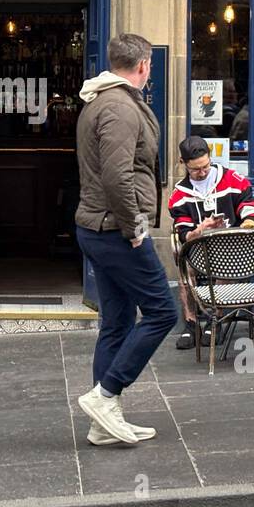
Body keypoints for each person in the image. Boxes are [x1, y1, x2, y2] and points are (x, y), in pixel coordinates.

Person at [74, 33, 179, 447]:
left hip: (99, 228)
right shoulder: (119, 108)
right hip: (114, 230)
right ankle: (105, 395)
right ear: (143, 66)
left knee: (116, 323)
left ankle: (104, 423)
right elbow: (117, 177)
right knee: (161, 312)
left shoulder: (102, 101)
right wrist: (134, 226)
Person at [166, 136, 254, 350]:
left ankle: (214, 320)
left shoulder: (232, 179)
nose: (202, 172)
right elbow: (183, 232)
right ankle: (191, 323)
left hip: (230, 247)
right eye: (195, 170)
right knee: (185, 268)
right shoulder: (180, 194)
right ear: (183, 163)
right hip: (197, 249)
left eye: (205, 167)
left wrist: (247, 221)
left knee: (223, 263)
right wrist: (198, 230)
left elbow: (247, 204)